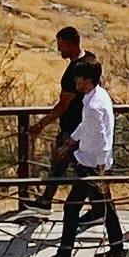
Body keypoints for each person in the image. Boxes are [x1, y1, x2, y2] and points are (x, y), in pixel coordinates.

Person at [48, 56, 122, 257]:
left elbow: (99, 137)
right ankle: (117, 249)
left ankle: (64, 255)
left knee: (73, 207)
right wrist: (71, 141)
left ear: (87, 80)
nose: (75, 82)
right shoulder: (96, 97)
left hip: (92, 165)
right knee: (105, 207)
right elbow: (86, 126)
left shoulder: (93, 107)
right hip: (93, 163)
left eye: (78, 78)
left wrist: (99, 171)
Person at [21, 24, 89, 213]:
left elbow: (62, 105)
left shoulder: (75, 71)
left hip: (74, 129)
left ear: (72, 44)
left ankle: (103, 209)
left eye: (61, 45)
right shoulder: (90, 61)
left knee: (84, 172)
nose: (59, 49)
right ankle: (45, 201)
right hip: (78, 126)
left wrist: (41, 124)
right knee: (59, 166)